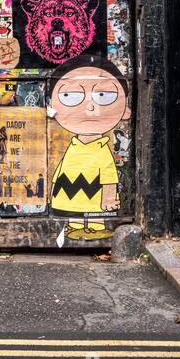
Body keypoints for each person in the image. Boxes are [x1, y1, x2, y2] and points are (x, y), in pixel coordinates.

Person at [47, 55, 130, 242]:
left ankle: (96, 225)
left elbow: (109, 176)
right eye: (69, 96)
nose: (89, 107)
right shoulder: (73, 147)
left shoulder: (102, 150)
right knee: (73, 210)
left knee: (94, 212)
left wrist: (108, 198)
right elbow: (62, 169)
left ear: (125, 110)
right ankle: (74, 225)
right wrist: (54, 189)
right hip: (68, 193)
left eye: (104, 96)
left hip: (94, 194)